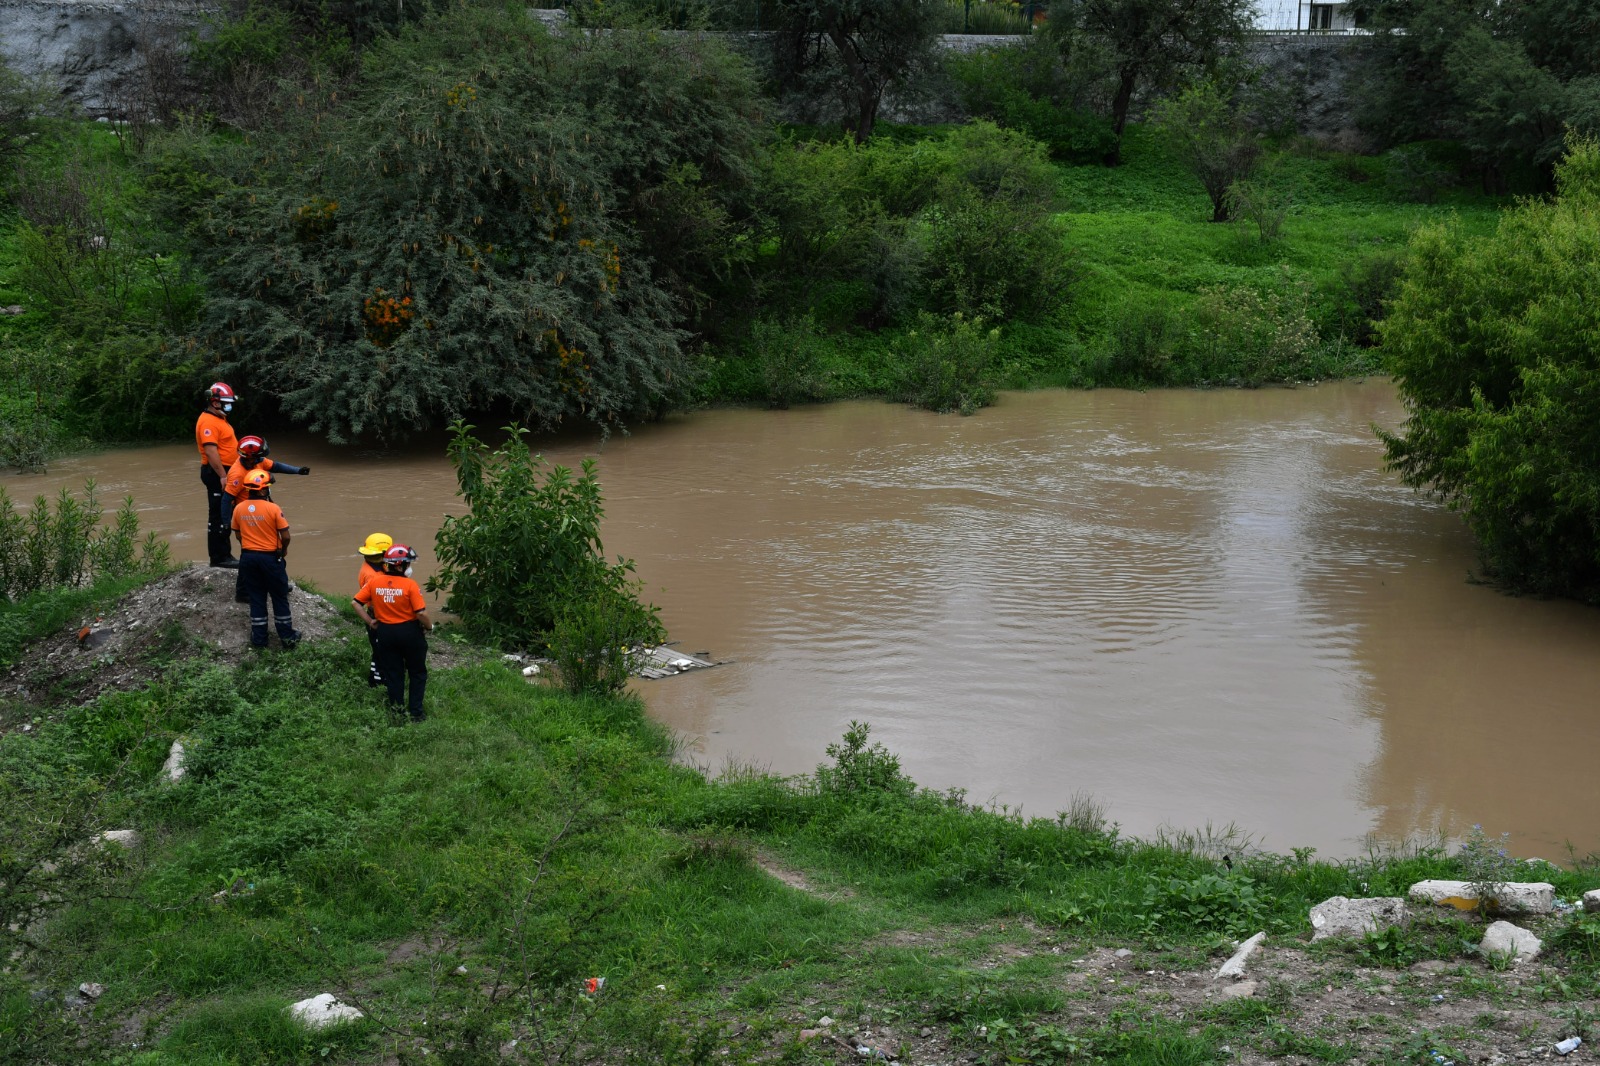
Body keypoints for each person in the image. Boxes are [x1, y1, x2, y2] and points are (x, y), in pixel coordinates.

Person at [224, 437, 311, 603]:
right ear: (249, 457)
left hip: (262, 512)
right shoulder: (237, 473)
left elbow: (276, 466)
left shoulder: (257, 461)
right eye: (259, 456)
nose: (262, 459)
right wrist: (225, 523)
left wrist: (297, 470)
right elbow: (226, 499)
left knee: (270, 551)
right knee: (253, 555)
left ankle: (277, 584)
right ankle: (244, 592)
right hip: (248, 517)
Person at [353, 544, 432, 722]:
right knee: (417, 672)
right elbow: (420, 613)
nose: (409, 568)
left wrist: (370, 621)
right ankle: (416, 714)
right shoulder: (410, 585)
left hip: (385, 633)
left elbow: (355, 603)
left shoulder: (374, 582)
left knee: (394, 673)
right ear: (399, 565)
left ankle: (397, 712)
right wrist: (429, 627)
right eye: (408, 564)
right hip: (410, 633)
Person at [230, 469, 302, 650]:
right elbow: (285, 536)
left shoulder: (239, 508)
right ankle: (287, 638)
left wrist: (249, 548)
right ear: (263, 490)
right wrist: (283, 550)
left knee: (256, 597)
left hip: (248, 557)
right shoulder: (273, 508)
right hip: (270, 558)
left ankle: (259, 640)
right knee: (279, 596)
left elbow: (238, 534)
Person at [195, 381, 241, 568]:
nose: (229, 406)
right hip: (217, 473)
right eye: (227, 402)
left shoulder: (219, 419)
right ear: (215, 403)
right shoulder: (208, 421)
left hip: (225, 471)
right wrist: (223, 476)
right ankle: (220, 558)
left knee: (226, 513)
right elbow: (211, 451)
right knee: (218, 515)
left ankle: (225, 554)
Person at [356, 532, 393, 687]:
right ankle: (378, 681)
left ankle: (376, 676)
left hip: (376, 614)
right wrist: (371, 621)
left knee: (379, 649)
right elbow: (359, 601)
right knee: (381, 651)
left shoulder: (374, 566)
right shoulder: (373, 576)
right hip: (378, 615)